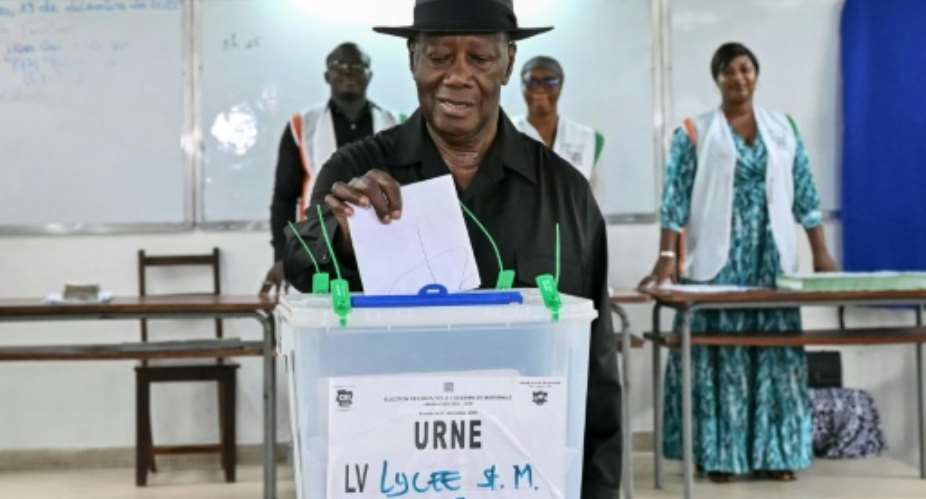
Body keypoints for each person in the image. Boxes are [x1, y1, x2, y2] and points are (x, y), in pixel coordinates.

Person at [283, 1, 621, 497]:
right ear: (412, 57)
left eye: (479, 58)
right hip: (390, 473)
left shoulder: (565, 194)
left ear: (508, 60)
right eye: (440, 57)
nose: (457, 77)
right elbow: (302, 271)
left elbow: (596, 368)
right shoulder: (355, 173)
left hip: (522, 475)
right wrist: (341, 233)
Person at [638, 42, 838, 482]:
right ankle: (721, 456)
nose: (738, 78)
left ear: (756, 74)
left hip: (771, 261)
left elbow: (805, 193)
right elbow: (674, 200)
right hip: (718, 263)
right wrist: (667, 257)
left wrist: (820, 249)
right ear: (717, 79)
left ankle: (777, 455)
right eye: (728, 71)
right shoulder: (694, 130)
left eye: (745, 69)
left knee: (776, 358)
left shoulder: (782, 128)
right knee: (721, 357)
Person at [260, 42, 399, 296]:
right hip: (318, 251)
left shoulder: (394, 123)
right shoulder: (302, 125)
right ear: (327, 76)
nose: (348, 72)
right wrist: (282, 257)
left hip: (384, 248)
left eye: (358, 65)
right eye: (339, 66)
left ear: (370, 74)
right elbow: (284, 197)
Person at [513, 56, 604, 180]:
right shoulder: (503, 131)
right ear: (522, 86)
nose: (540, 89)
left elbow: (594, 193)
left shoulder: (589, 139)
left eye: (549, 82)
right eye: (531, 82)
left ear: (561, 86)